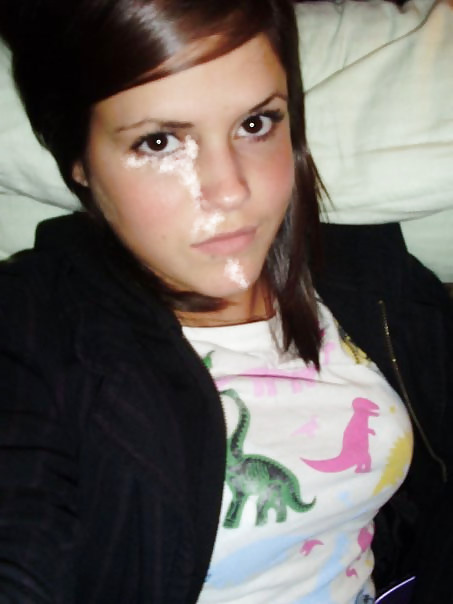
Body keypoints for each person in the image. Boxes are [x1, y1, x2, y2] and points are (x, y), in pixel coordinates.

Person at [0, 0, 451, 602]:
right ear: (79, 160)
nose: (232, 190)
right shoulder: (33, 328)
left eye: (256, 124)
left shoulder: (368, 271)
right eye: (159, 141)